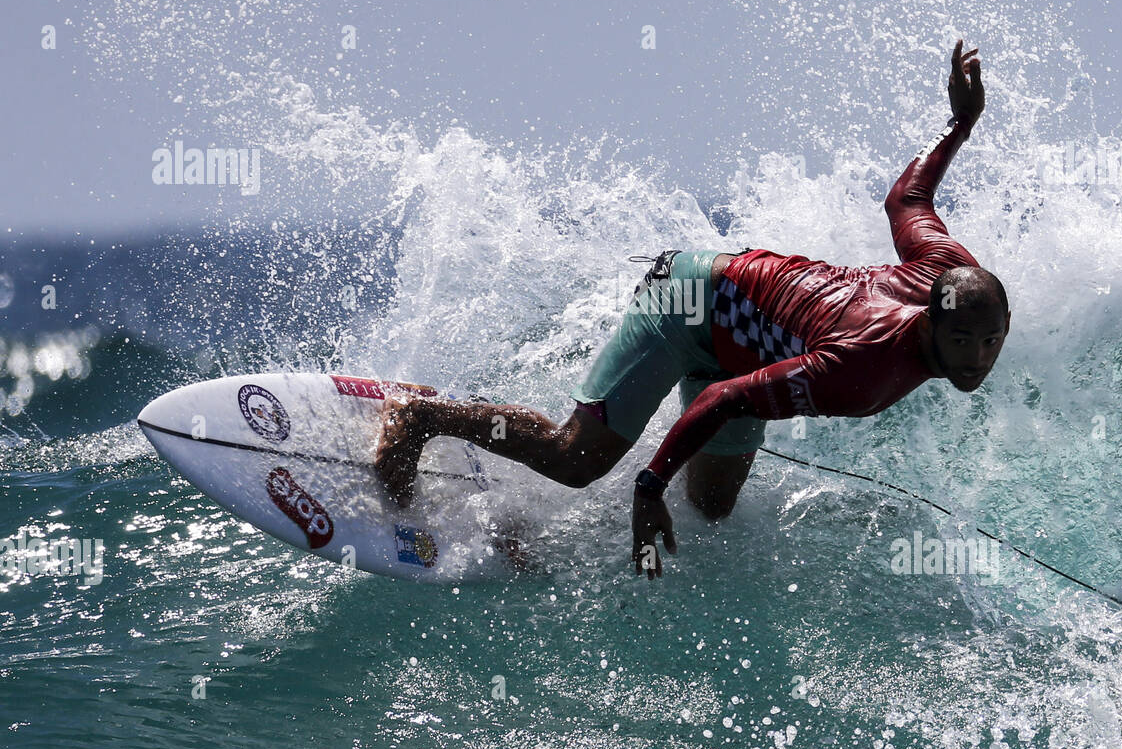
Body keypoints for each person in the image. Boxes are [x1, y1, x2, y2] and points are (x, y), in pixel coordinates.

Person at [375, 39, 1009, 581]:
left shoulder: (948, 270)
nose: (976, 359)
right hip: (689, 302)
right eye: (963, 342)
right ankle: (421, 414)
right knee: (578, 460)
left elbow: (907, 196)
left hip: (743, 341)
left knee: (709, 505)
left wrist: (959, 127)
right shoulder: (863, 367)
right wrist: (647, 490)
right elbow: (722, 401)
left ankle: (528, 523)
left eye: (990, 342)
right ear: (930, 318)